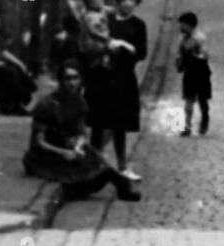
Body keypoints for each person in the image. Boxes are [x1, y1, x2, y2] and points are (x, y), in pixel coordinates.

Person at [22, 61, 141, 202]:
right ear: (60, 80)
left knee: (99, 163)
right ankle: (76, 190)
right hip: (45, 156)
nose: (72, 83)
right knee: (75, 175)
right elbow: (39, 142)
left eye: (75, 78)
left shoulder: (79, 102)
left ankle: (123, 189)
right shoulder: (47, 105)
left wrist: (79, 144)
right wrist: (63, 152)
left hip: (68, 147)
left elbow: (81, 132)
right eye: (68, 79)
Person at [94, 0, 147, 180]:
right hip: (104, 76)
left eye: (132, 0)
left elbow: (142, 53)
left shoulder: (138, 25)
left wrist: (127, 49)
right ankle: (96, 165)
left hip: (124, 77)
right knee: (98, 122)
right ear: (117, 1)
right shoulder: (107, 21)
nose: (128, 3)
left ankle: (122, 166)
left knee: (120, 125)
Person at [175, 12, 212, 136]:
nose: (181, 27)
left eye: (183, 24)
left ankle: (204, 121)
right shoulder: (182, 39)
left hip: (201, 71)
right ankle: (186, 126)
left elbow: (205, 55)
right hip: (189, 72)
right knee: (188, 100)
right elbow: (179, 53)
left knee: (203, 100)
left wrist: (195, 54)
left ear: (189, 25)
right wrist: (179, 63)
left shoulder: (199, 38)